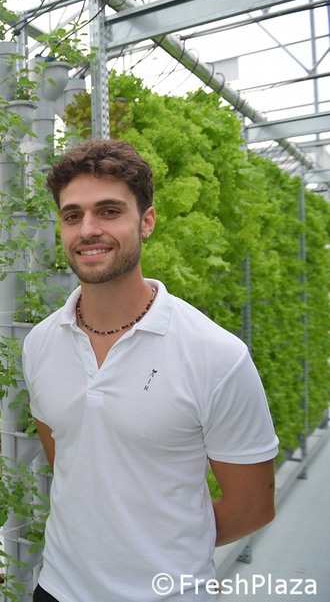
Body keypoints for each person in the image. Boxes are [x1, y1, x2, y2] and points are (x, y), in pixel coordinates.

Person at [22, 138, 279, 602]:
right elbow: (68, 462)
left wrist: (160, 550)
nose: (88, 230)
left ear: (147, 221)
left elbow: (252, 508)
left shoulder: (215, 355)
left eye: (109, 211)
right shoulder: (41, 343)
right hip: (57, 589)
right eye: (72, 216)